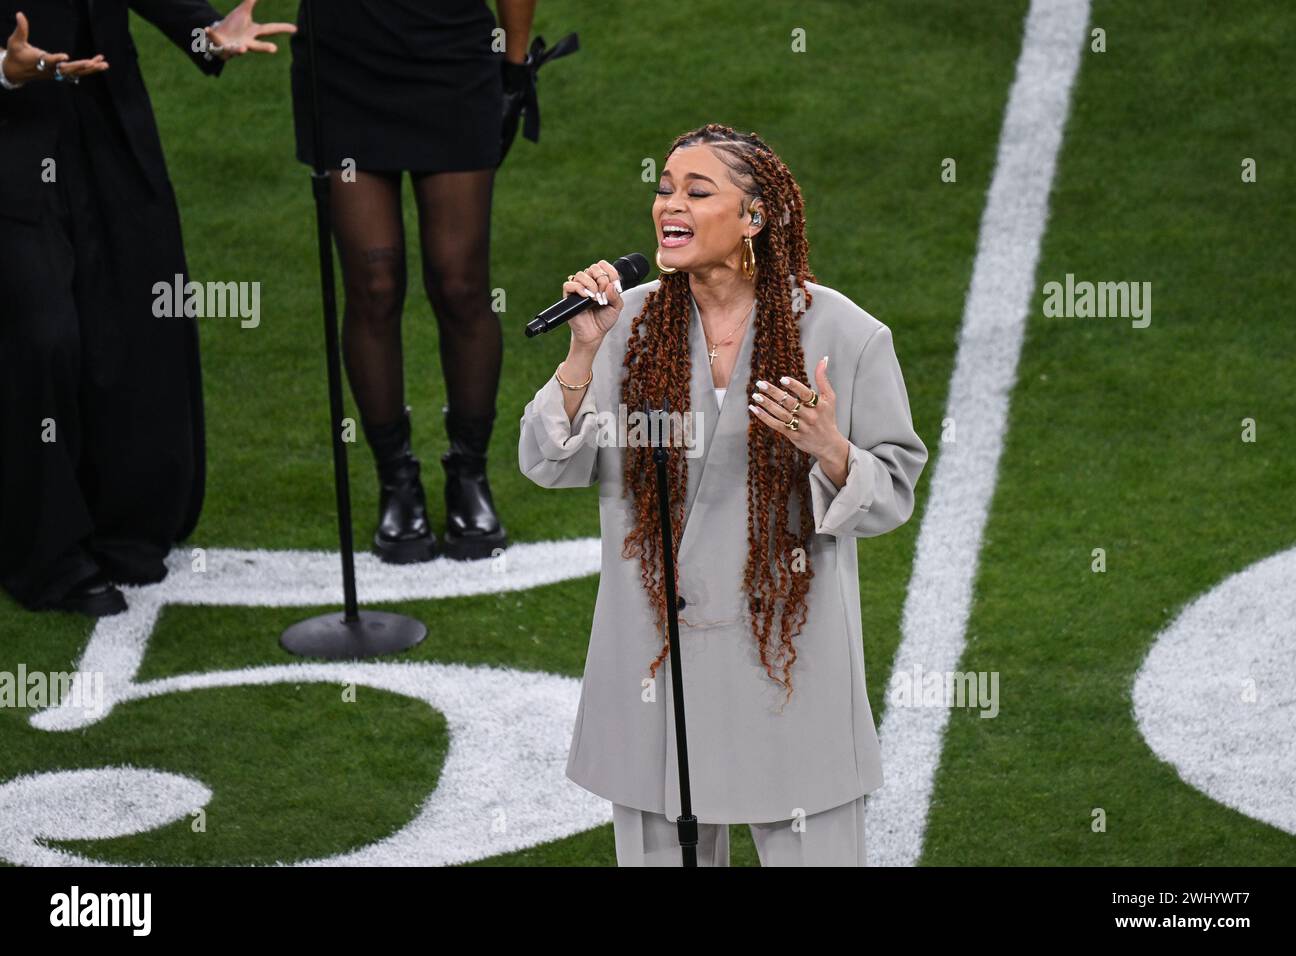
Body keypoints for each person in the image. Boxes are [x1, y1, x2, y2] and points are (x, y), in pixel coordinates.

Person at [518, 123, 929, 866]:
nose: (669, 205)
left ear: (754, 217)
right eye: (665, 187)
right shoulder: (628, 325)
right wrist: (582, 349)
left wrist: (831, 450)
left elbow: (893, 488)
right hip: (655, 670)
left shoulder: (845, 334)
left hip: (785, 669)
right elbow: (549, 461)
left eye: (697, 191)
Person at [0, 1, 295, 616]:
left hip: (109, 120)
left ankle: (124, 523)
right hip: (13, 132)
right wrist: (3, 67)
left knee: (137, 312)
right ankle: (48, 554)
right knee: (44, 331)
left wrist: (205, 35)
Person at [289, 0, 535, 563]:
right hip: (342, 63)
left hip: (451, 55)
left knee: (460, 284)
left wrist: (515, 67)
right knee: (373, 285)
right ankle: (396, 480)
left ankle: (468, 474)